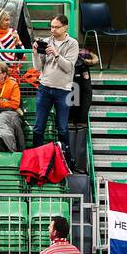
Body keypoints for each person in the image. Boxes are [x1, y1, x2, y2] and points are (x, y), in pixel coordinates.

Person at [31, 14, 78, 152]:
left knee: (62, 129)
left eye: (57, 27)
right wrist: (35, 53)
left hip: (63, 90)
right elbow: (37, 67)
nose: (53, 30)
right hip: (44, 88)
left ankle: (66, 160)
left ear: (65, 27)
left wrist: (56, 55)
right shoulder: (46, 41)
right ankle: (37, 159)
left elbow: (69, 67)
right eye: (51, 26)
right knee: (38, 128)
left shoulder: (72, 43)